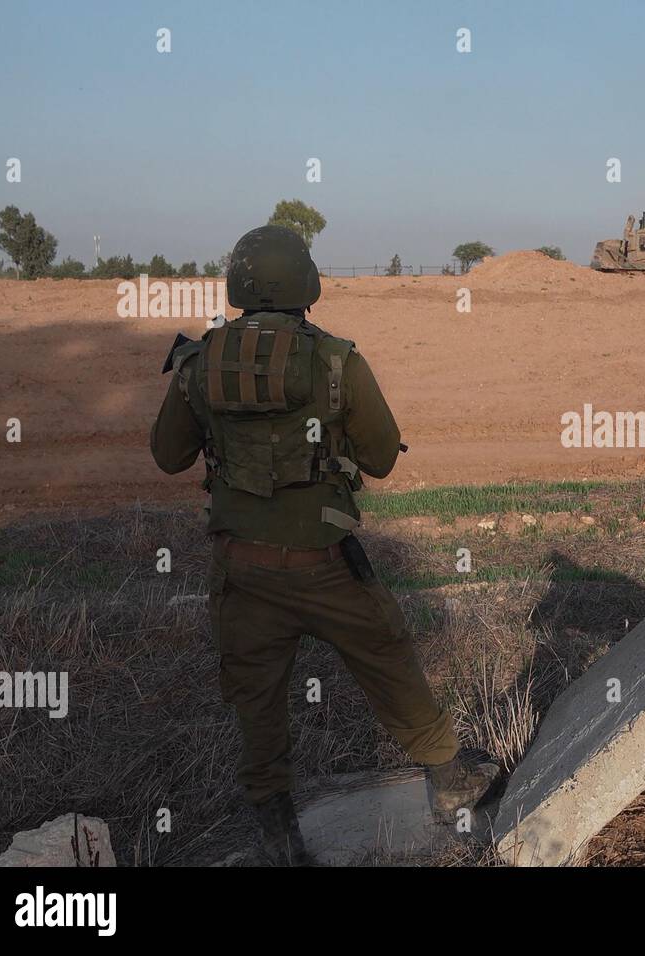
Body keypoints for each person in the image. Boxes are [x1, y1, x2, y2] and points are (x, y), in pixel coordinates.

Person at [150, 224, 498, 865]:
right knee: (388, 655)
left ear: (239, 286)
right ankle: (448, 777)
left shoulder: (200, 362)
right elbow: (381, 458)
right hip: (323, 566)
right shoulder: (336, 360)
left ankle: (280, 834)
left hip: (242, 569)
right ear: (306, 285)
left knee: (256, 699)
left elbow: (168, 455)